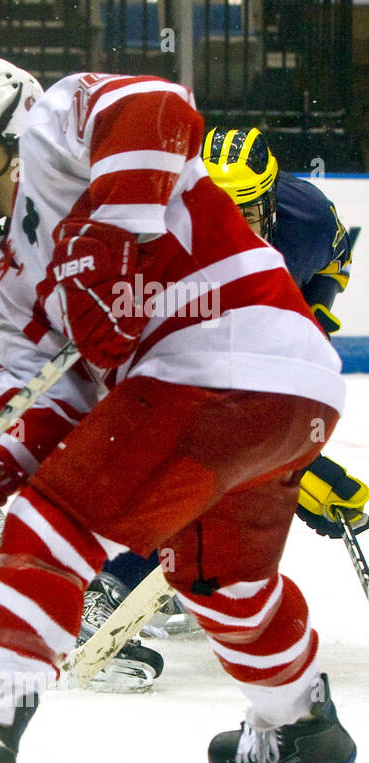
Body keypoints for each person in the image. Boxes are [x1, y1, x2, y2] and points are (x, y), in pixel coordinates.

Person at [0, 58, 359, 763]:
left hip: (216, 362)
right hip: (291, 396)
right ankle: (301, 723)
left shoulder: (57, 126)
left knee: (51, 525)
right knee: (223, 584)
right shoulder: (14, 282)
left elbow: (159, 104)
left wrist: (114, 232)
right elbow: (32, 403)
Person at [93, 126, 365, 647]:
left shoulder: (307, 217)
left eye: (247, 211)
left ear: (272, 202)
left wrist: (316, 309)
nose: (230, 227)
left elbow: (334, 260)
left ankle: (170, 568)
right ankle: (111, 580)